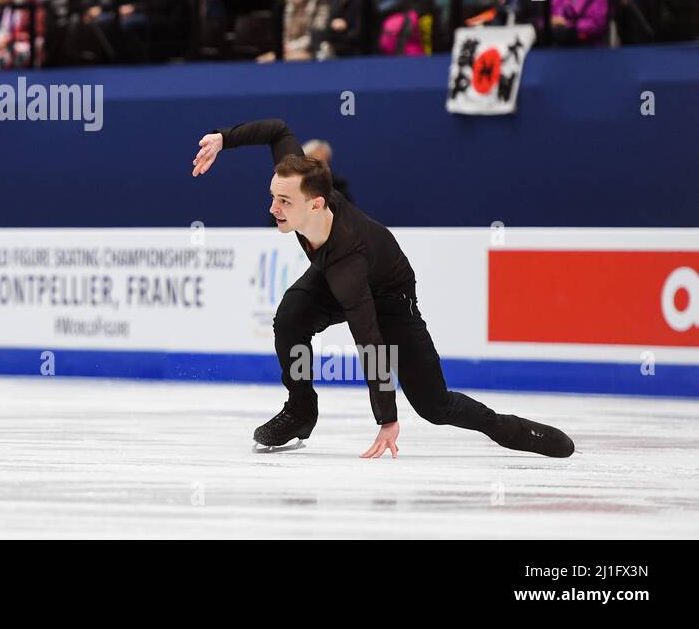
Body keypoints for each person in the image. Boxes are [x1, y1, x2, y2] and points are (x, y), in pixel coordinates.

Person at [190, 118, 575, 458]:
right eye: (273, 196)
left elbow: (370, 339)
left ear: (316, 204)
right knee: (290, 317)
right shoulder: (301, 180)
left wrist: (386, 417)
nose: (273, 207)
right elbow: (277, 129)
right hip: (333, 275)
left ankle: (508, 428)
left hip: (392, 300)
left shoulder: (348, 261)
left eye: (284, 201)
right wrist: (224, 138)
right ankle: (300, 411)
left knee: (435, 406)